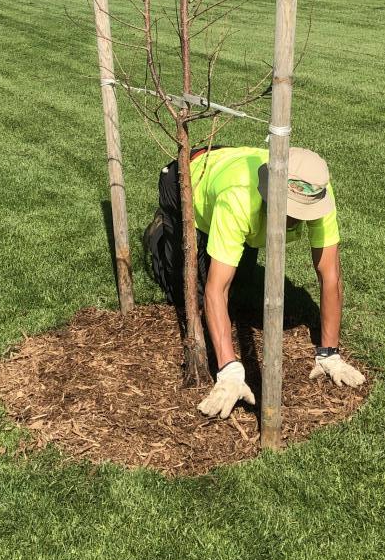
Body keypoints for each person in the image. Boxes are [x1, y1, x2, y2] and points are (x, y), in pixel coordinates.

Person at [143, 144, 365, 419]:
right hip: (190, 178)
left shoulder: (319, 192)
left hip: (235, 183)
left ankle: (237, 242)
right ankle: (158, 234)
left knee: (240, 284)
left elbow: (330, 275)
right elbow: (216, 290)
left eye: (300, 214)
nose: (294, 220)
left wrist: (329, 353)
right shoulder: (237, 200)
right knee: (189, 291)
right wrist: (230, 371)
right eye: (289, 211)